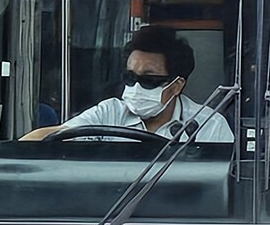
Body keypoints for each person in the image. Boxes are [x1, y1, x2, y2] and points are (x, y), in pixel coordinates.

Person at [23, 25, 233, 143]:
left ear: (176, 86)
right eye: (130, 77)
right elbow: (53, 135)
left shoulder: (209, 127)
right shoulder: (109, 114)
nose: (136, 87)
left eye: (149, 79)